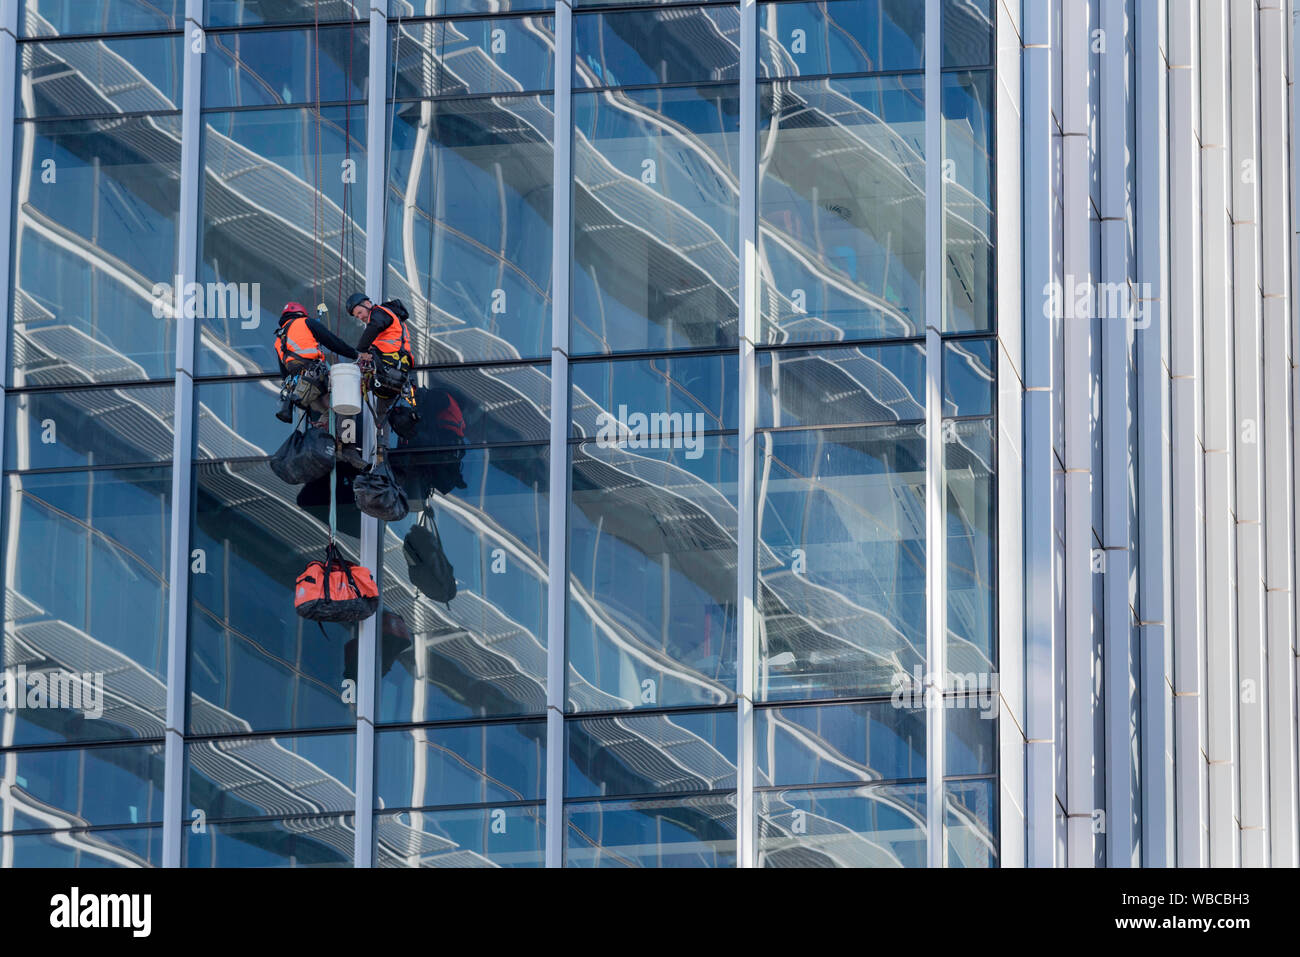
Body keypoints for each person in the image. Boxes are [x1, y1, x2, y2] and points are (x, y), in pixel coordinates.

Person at [274, 301, 367, 468]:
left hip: (301, 389)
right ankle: (348, 449)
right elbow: (331, 341)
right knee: (345, 403)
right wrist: (356, 355)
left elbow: (284, 373)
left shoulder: (279, 339)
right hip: (314, 378)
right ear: (301, 313)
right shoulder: (305, 323)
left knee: (328, 411)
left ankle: (327, 445)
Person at [346, 292, 416, 429]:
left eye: (360, 312)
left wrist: (360, 350)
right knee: (381, 411)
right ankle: (381, 446)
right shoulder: (390, 319)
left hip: (388, 365)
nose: (360, 317)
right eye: (357, 316)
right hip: (396, 370)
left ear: (367, 304)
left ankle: (346, 431)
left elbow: (374, 328)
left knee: (349, 385)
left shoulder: (379, 313)